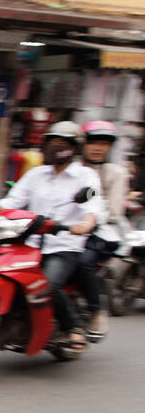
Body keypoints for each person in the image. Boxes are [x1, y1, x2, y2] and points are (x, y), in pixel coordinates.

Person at [0, 121, 104, 352]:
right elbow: (13, 200)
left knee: (47, 285)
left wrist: (85, 224)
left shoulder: (85, 176)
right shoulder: (36, 174)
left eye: (61, 143)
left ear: (73, 147)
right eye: (51, 143)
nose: (55, 148)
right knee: (0, 269)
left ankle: (72, 328)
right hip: (29, 241)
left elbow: (92, 205)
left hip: (63, 244)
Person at [78, 121, 129, 337]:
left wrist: (87, 220)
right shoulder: (71, 168)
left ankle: (95, 311)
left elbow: (113, 211)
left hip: (101, 231)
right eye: (93, 142)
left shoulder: (115, 173)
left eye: (104, 143)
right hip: (64, 226)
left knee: (83, 262)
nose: (98, 148)